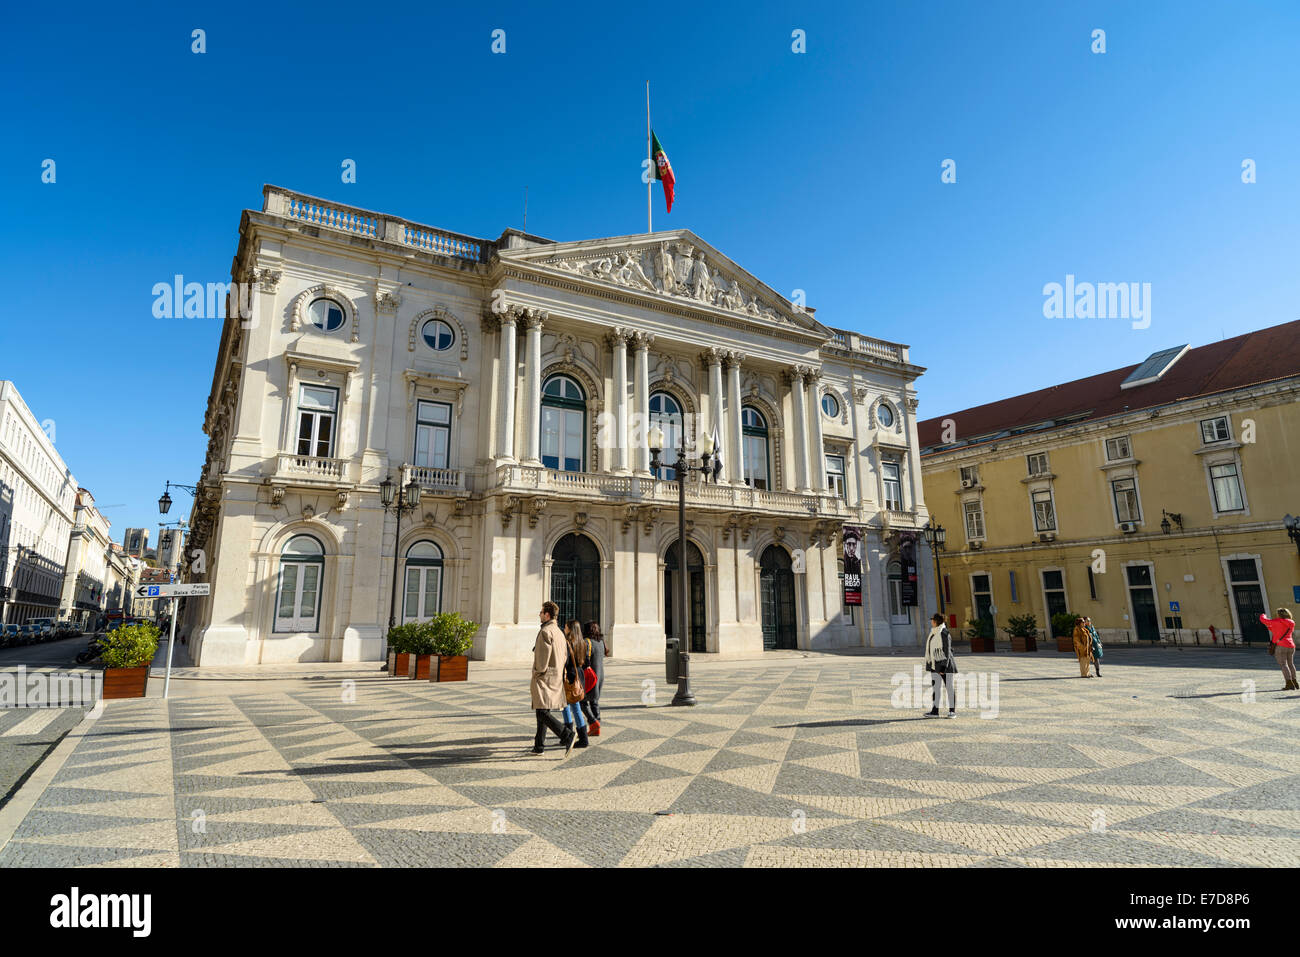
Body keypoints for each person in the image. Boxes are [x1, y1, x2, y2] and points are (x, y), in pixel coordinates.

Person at [531, 602, 575, 755]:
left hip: (545, 678)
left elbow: (542, 661)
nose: (539, 614)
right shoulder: (559, 632)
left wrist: (537, 672)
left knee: (542, 712)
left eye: (541, 612)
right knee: (542, 710)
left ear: (547, 615)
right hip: (556, 676)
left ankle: (567, 734)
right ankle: (539, 746)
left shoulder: (545, 632)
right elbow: (564, 656)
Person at [561, 619, 590, 749]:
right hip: (580, 676)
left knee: (570, 705)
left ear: (570, 630)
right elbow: (587, 662)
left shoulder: (568, 644)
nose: (564, 629)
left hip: (570, 677)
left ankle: (579, 737)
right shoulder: (583, 643)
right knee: (571, 705)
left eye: (566, 627)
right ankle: (570, 735)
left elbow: (565, 662)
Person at [923, 612, 958, 717]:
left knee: (949, 687)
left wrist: (943, 666)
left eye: (932, 620)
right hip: (934, 664)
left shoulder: (944, 633)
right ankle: (935, 711)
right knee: (936, 688)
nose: (931, 622)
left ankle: (952, 711)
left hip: (945, 665)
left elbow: (947, 651)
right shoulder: (933, 633)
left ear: (935, 621)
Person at [1260, 608, 1296, 691]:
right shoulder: (1291, 622)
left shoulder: (1276, 621)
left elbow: (1263, 620)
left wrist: (1263, 614)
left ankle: (1289, 683)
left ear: (1279, 614)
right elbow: (1277, 630)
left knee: (1283, 664)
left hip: (1281, 646)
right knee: (1291, 664)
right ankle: (1294, 681)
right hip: (1291, 645)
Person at [581, 621, 605, 734]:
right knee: (594, 701)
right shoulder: (601, 642)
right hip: (600, 675)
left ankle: (593, 722)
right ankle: (597, 725)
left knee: (582, 701)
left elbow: (584, 660)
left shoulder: (587, 642)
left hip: (590, 676)